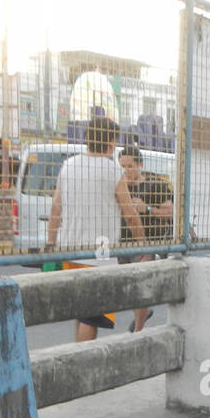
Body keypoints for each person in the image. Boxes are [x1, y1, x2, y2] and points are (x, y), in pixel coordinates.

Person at [46, 115, 145, 341]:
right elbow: (129, 214)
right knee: (92, 316)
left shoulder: (68, 165)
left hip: (69, 250)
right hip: (99, 255)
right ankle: (82, 362)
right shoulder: (112, 171)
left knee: (80, 312)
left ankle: (77, 355)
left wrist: (50, 244)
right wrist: (142, 243)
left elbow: (55, 210)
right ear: (110, 142)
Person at [118, 143, 174, 332]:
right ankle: (144, 312)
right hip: (123, 244)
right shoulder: (119, 187)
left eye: (130, 166)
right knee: (130, 288)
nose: (126, 171)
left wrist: (147, 208)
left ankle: (138, 330)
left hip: (146, 244)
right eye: (122, 166)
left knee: (141, 287)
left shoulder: (155, 185)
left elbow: (170, 212)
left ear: (140, 165)